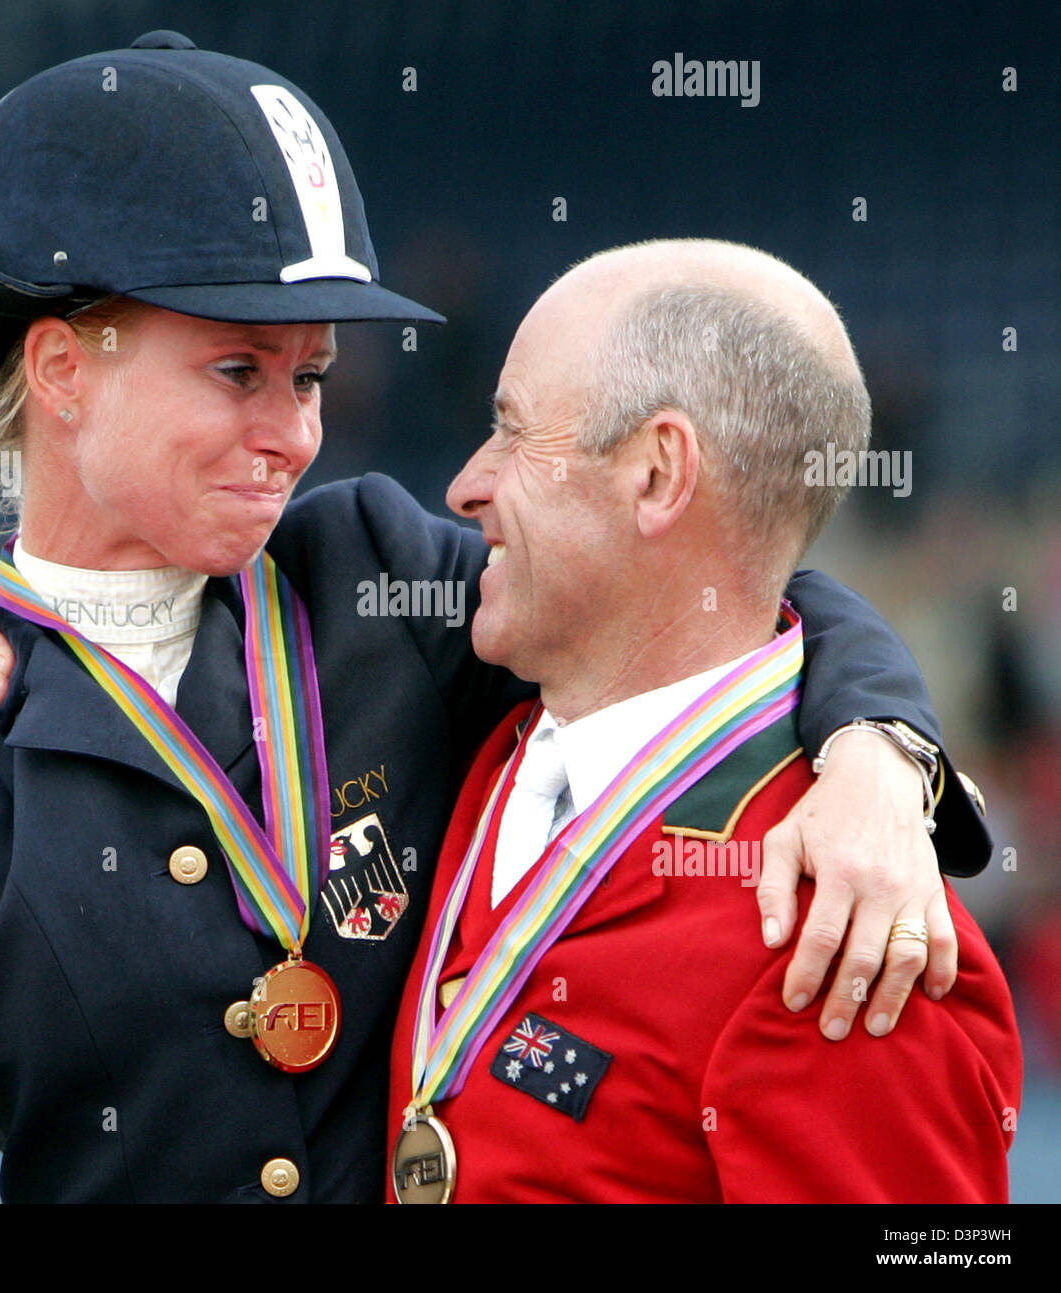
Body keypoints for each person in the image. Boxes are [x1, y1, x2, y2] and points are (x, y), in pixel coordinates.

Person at [0, 33, 985, 1204]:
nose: (295, 433)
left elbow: (720, 582)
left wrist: (879, 755)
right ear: (63, 370)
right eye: (239, 371)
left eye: (309, 376)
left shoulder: (375, 578)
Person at [386, 240, 1021, 1204]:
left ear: (657, 472)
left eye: (513, 433)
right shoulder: (485, 729)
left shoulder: (847, 932)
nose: (465, 484)